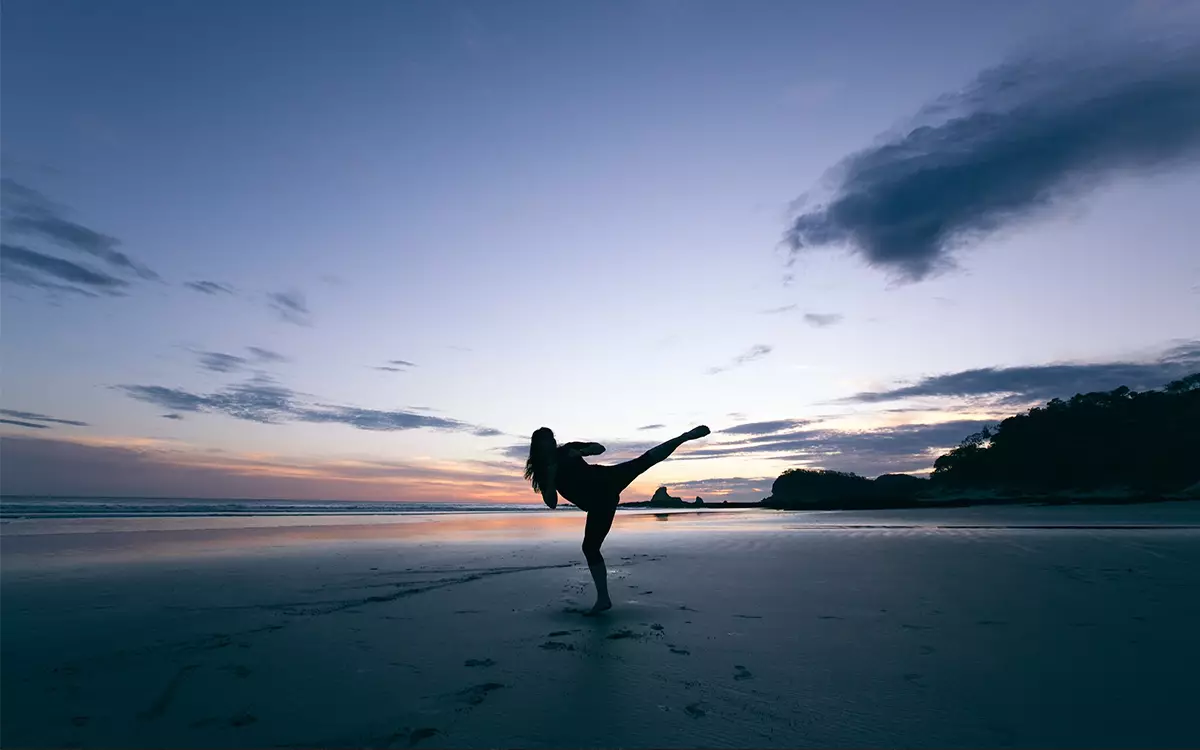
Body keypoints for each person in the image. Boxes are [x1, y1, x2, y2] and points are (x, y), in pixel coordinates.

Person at [524, 425, 711, 613]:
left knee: (643, 461)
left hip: (608, 479)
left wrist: (580, 451)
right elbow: (552, 502)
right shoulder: (542, 470)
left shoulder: (567, 450)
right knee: (590, 548)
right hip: (600, 503)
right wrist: (551, 476)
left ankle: (684, 437)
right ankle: (603, 600)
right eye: (547, 442)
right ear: (538, 447)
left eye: (552, 439)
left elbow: (600, 448)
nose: (553, 444)